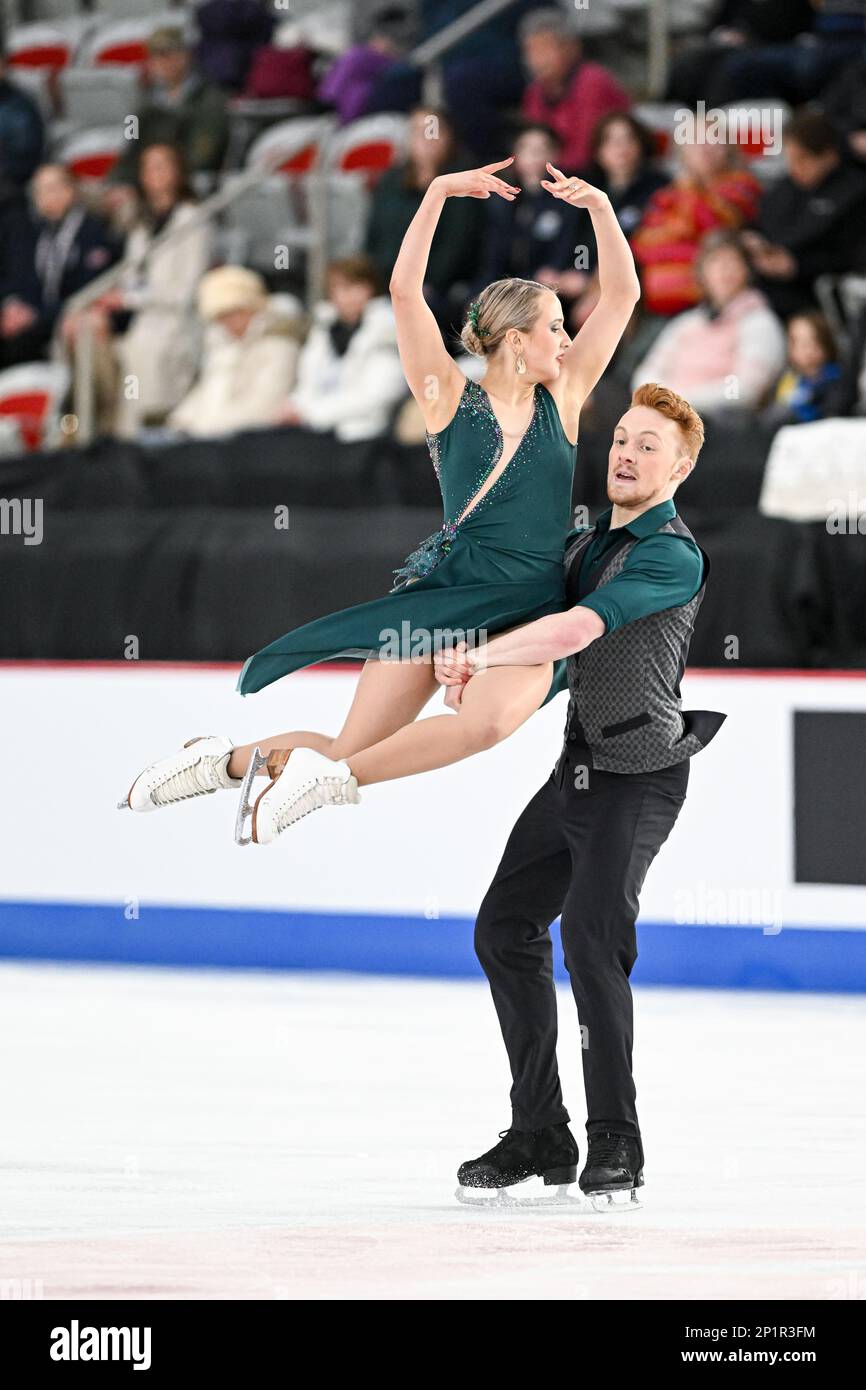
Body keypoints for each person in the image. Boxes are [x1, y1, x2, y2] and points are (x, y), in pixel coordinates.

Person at [118, 157, 641, 848]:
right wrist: (435, 195)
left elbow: (624, 295)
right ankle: (219, 762)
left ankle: (321, 783)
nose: (568, 339)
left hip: (530, 608)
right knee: (344, 747)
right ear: (515, 341)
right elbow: (402, 293)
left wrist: (601, 209)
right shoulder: (449, 398)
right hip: (443, 598)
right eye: (553, 327)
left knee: (484, 725)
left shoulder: (564, 398)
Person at [436, 383, 726, 1206]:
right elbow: (543, 634)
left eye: (647, 446)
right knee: (504, 928)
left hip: (640, 776)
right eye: (622, 440)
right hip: (578, 771)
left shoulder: (670, 553)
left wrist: (481, 659)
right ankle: (541, 1133)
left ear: (680, 466)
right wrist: (474, 648)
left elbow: (574, 632)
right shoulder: (585, 541)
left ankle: (617, 1141)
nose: (626, 455)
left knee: (594, 942)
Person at [630, 230, 785, 415]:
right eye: (715, 262)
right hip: (668, 414)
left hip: (717, 424)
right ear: (702, 272)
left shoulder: (759, 322)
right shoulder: (688, 322)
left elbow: (742, 390)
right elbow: (648, 371)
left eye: (733, 262)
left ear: (747, 271)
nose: (724, 270)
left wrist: (682, 401)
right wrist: (660, 397)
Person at [364, 106, 484, 337]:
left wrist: (420, 286)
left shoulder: (463, 183)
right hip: (386, 289)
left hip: (438, 291)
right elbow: (374, 236)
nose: (426, 139)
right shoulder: (390, 181)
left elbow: (458, 245)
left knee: (384, 328)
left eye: (434, 131)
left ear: (449, 137)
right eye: (419, 131)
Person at [742, 109, 866, 320]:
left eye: (803, 159)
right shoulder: (783, 189)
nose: (795, 168)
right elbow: (757, 224)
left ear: (829, 156)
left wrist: (797, 267)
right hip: (763, 277)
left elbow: (851, 257)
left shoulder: (856, 193)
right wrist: (752, 240)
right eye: (790, 159)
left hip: (812, 292)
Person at [0, 164, 120, 370]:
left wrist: (37, 316)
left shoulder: (93, 231)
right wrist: (13, 306)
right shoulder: (31, 233)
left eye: (53, 187)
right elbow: (17, 278)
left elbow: (89, 289)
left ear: (70, 190)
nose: (47, 196)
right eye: (40, 190)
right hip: (37, 319)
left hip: (68, 316)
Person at [276, 255, 406, 443]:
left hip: (360, 436)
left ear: (371, 289)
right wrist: (295, 407)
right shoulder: (323, 329)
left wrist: (310, 414)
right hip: (313, 430)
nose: (343, 296)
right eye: (335, 288)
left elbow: (377, 396)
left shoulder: (388, 331)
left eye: (352, 287)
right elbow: (307, 383)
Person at [631, 133, 760, 317]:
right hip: (650, 293)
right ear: (682, 153)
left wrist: (691, 195)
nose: (704, 149)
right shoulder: (667, 194)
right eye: (696, 142)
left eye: (713, 142)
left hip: (707, 295)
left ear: (728, 148)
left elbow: (716, 238)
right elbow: (641, 246)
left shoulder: (743, 187)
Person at [168, 266, 304, 438]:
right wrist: (181, 421)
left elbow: (264, 407)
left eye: (234, 313)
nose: (228, 322)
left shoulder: (280, 346)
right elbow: (206, 391)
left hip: (248, 444)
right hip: (209, 439)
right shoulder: (222, 346)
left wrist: (206, 428)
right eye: (221, 316)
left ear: (252, 307)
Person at [107, 27, 230, 193]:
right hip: (146, 183)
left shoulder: (211, 100)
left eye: (168, 54)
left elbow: (203, 155)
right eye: (155, 56)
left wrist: (156, 176)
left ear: (185, 56)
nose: (162, 63)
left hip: (185, 188)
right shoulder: (140, 106)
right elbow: (130, 146)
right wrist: (120, 182)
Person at [519, 8, 630, 174]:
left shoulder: (593, 81)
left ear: (571, 48)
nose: (537, 59)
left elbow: (584, 154)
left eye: (545, 48)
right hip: (556, 178)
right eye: (531, 50)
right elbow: (529, 144)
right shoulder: (534, 92)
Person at [764, 310, 841, 426]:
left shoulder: (834, 376)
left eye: (813, 342)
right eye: (798, 343)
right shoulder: (788, 378)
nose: (807, 350)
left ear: (826, 343)